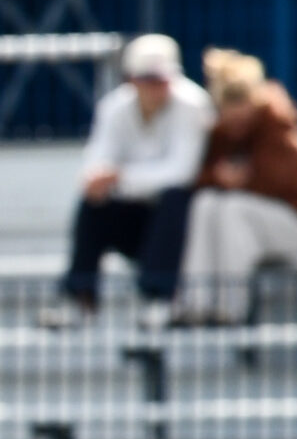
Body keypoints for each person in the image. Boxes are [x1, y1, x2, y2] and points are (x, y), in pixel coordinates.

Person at [40, 33, 212, 328]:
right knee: (93, 202)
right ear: (132, 80)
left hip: (176, 227)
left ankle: (159, 297)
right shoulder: (114, 108)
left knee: (175, 198)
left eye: (162, 80)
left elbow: (182, 173)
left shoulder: (193, 105)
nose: (157, 88)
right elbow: (97, 162)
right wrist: (99, 180)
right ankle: (79, 297)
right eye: (149, 80)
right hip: (133, 222)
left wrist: (120, 177)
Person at [173, 53, 297, 327]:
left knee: (233, 209)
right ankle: (195, 305)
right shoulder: (221, 133)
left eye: (242, 102)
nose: (237, 114)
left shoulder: (276, 124)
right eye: (230, 104)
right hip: (254, 225)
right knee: (206, 202)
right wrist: (219, 178)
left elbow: (281, 181)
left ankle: (230, 311)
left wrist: (242, 182)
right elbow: (198, 179)